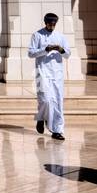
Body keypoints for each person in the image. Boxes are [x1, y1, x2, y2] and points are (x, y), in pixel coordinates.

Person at [28, 12, 72, 140]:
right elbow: (31, 53)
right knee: (46, 100)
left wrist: (60, 50)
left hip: (56, 73)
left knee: (57, 102)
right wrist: (45, 50)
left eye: (54, 24)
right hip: (42, 72)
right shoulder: (37, 35)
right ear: (45, 22)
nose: (52, 26)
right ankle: (41, 118)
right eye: (50, 24)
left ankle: (57, 130)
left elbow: (68, 54)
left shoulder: (60, 36)